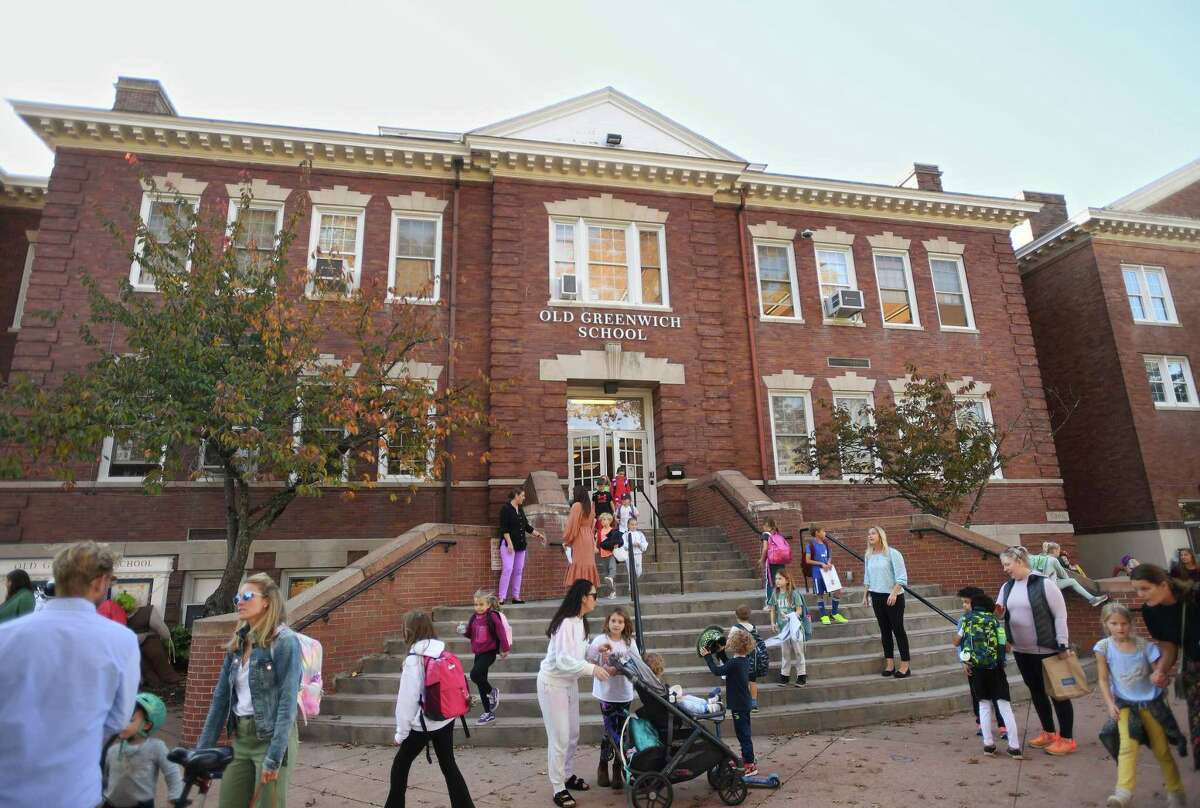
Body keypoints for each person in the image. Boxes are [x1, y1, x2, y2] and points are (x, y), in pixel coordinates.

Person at [0, 541, 140, 808]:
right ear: (100, 582)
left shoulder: (6, 635)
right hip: (72, 790)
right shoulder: (121, 641)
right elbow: (119, 718)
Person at [196, 573, 303, 808]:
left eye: (246, 596)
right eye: (237, 598)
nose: (239, 602)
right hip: (241, 739)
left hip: (271, 738)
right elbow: (220, 700)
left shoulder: (285, 642)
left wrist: (274, 758)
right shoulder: (237, 643)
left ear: (267, 601)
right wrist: (202, 754)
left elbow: (287, 704)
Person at [1094, 602, 1186, 808]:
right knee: (1127, 748)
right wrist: (1109, 704)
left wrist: (1160, 676)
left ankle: (1176, 791)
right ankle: (1123, 793)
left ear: (1131, 623)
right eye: (1114, 623)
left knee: (1162, 750)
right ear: (1105, 624)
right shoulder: (1103, 647)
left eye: (1124, 623)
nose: (1120, 628)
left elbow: (1159, 671)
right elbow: (1102, 678)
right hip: (1125, 705)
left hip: (1151, 704)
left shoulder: (1145, 646)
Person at [385, 610, 475, 808]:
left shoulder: (414, 660)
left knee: (400, 765)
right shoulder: (442, 652)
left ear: (408, 631)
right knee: (449, 765)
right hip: (446, 718)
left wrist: (401, 733)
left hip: (423, 724)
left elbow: (406, 702)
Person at [538, 579, 611, 808]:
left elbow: (576, 652)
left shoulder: (580, 622)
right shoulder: (565, 623)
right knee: (559, 737)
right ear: (583, 597)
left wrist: (594, 650)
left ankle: (567, 775)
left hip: (569, 683)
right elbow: (562, 660)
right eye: (594, 595)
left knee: (572, 733)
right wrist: (592, 669)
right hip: (553, 684)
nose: (596, 599)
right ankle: (558, 787)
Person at [996, 545, 1075, 756]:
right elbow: (1000, 614)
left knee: (1058, 693)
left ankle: (1066, 738)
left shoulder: (1045, 584)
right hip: (1022, 650)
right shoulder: (1007, 587)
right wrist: (995, 613)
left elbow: (1060, 615)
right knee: (1036, 692)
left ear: (1020, 561)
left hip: (1047, 649)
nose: (1005, 569)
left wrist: (1062, 643)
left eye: (1007, 564)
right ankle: (1049, 732)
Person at [1131, 563, 1200, 772]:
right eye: (1136, 589)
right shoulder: (1151, 612)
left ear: (1163, 584)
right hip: (1194, 666)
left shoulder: (1195, 597)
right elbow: (1169, 646)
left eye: (1145, 588)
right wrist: (1161, 670)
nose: (1140, 594)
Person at [955, 593, 1022, 760]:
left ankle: (988, 745)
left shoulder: (967, 620)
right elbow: (1006, 647)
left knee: (984, 706)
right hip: (996, 669)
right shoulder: (993, 621)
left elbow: (956, 641)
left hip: (977, 669)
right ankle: (1014, 747)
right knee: (1004, 706)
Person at [585, 607, 641, 791]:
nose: (616, 624)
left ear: (625, 625)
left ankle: (618, 766)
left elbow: (636, 664)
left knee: (622, 730)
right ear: (608, 622)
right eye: (613, 621)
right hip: (606, 693)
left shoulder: (629, 642)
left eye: (620, 621)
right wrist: (599, 653)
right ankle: (603, 765)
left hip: (623, 693)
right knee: (610, 730)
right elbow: (590, 659)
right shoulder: (600, 640)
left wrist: (618, 669)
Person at [102, 692, 183, 808]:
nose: (122, 723)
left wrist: (175, 798)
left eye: (130, 720)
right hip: (111, 803)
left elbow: (172, 772)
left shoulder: (156, 747)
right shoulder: (113, 750)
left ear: (147, 725)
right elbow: (102, 775)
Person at [701, 629, 757, 775]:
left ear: (734, 645)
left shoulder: (735, 663)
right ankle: (747, 758)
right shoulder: (742, 660)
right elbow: (728, 665)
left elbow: (718, 671)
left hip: (739, 704)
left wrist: (708, 657)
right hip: (743, 703)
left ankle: (750, 764)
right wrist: (720, 654)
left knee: (743, 734)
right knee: (743, 733)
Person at [955, 586, 1005, 739]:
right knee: (977, 695)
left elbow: (999, 641)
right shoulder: (963, 621)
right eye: (963, 602)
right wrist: (964, 661)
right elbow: (960, 644)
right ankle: (981, 723)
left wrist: (1002, 659)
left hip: (993, 664)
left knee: (998, 695)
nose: (964, 605)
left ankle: (1002, 724)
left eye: (967, 602)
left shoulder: (990, 619)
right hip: (973, 664)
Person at [862, 526, 911, 678]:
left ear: (880, 535)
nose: (870, 535)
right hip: (876, 597)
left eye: (873, 533)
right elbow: (867, 577)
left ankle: (905, 666)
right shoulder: (868, 555)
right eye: (868, 533)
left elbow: (901, 577)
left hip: (893, 597)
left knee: (898, 630)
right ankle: (890, 664)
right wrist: (865, 595)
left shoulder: (892, 553)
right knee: (884, 632)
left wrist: (894, 593)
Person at [458, 590, 510, 725]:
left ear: (488, 605)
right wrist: (463, 631)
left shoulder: (492, 616)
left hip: (489, 652)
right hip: (478, 653)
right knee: (481, 682)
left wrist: (505, 649)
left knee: (475, 675)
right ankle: (488, 713)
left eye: (481, 604)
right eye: (476, 604)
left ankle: (493, 691)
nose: (478, 607)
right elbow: (470, 634)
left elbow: (501, 633)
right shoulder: (474, 618)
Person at [499, 487, 546, 605]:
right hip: (508, 545)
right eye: (523, 496)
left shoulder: (520, 509)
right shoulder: (505, 509)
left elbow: (526, 526)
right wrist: (509, 543)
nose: (524, 498)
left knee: (518, 571)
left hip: (521, 545)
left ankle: (516, 596)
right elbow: (504, 528)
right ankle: (501, 597)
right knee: (507, 569)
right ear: (516, 495)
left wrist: (538, 534)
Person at [1030, 542, 1107, 606]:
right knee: (1072, 581)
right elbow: (1064, 575)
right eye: (1059, 550)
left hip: (1037, 586)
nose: (1059, 553)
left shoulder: (1039, 557)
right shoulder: (1053, 560)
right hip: (1049, 586)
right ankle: (1092, 599)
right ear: (1055, 551)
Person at [126, 601, 182, 687]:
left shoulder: (114, 612)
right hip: (141, 643)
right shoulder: (147, 611)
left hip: (133, 645)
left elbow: (165, 633)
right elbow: (165, 633)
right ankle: (167, 680)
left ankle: (159, 681)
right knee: (155, 656)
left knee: (148, 660)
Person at [769, 570, 809, 686]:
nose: (777, 581)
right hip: (783, 629)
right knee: (785, 653)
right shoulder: (775, 594)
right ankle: (784, 676)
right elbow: (772, 609)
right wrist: (773, 622)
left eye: (780, 579)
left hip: (795, 628)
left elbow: (799, 610)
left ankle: (801, 676)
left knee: (798, 652)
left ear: (787, 580)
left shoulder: (794, 594)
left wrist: (790, 616)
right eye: (776, 579)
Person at [804, 527, 846, 625]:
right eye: (823, 531)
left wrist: (828, 562)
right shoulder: (810, 545)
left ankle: (834, 613)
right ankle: (824, 615)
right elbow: (808, 560)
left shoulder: (826, 543)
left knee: (838, 590)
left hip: (828, 572)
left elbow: (829, 556)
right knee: (820, 594)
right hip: (817, 573)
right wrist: (821, 564)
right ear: (817, 533)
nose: (825, 533)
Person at [562, 485, 600, 590]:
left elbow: (572, 525)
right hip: (589, 537)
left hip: (580, 537)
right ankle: (588, 589)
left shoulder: (577, 506)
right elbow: (592, 526)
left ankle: (579, 590)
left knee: (578, 562)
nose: (573, 495)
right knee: (588, 563)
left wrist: (567, 540)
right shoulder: (590, 508)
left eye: (574, 493)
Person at [730, 604, 766, 711]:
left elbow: (729, 641)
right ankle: (754, 702)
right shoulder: (753, 627)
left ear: (736, 616)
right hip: (752, 659)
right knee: (752, 681)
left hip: (740, 659)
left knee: (741, 681)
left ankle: (743, 701)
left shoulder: (735, 628)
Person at [759, 518, 788, 606]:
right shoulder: (778, 535)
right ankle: (783, 601)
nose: (763, 528)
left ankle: (770, 604)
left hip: (771, 562)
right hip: (781, 561)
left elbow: (765, 548)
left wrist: (762, 559)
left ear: (767, 526)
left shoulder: (766, 535)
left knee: (770, 582)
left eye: (763, 526)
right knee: (781, 580)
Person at [596, 511, 618, 599]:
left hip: (611, 553)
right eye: (602, 520)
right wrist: (595, 547)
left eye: (606, 520)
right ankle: (613, 591)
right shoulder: (599, 531)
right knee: (606, 575)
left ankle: (611, 578)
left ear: (610, 521)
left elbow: (617, 541)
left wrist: (616, 545)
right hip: (603, 554)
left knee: (612, 569)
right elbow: (597, 541)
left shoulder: (612, 530)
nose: (604, 521)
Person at [621, 516, 649, 583]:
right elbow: (623, 544)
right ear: (628, 525)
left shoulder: (640, 534)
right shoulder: (625, 534)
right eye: (632, 524)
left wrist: (640, 545)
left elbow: (644, 543)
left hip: (638, 554)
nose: (634, 526)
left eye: (635, 524)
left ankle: (634, 581)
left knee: (639, 570)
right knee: (630, 570)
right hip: (629, 554)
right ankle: (631, 587)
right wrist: (631, 544)